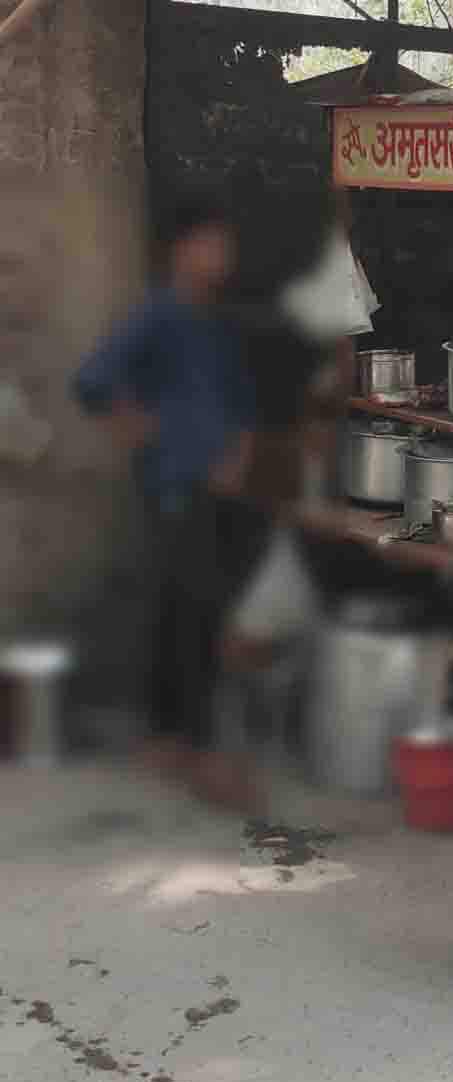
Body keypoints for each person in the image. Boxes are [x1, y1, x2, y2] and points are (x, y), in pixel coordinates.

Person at [73, 188, 271, 811]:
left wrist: (236, 458)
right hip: (174, 485)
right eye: (211, 243)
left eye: (225, 244)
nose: (222, 255)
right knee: (198, 614)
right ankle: (202, 754)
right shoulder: (158, 315)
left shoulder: (216, 323)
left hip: (214, 489)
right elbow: (93, 380)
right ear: (180, 250)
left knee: (183, 608)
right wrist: (141, 430)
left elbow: (241, 406)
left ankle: (165, 738)